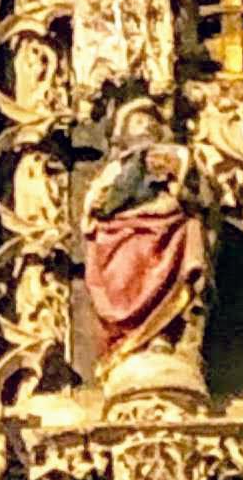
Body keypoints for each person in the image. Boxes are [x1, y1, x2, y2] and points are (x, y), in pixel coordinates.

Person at [81, 89, 208, 403]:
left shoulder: (174, 154)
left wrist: (176, 181)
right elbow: (94, 205)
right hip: (122, 232)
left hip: (166, 225)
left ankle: (163, 334)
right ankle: (129, 342)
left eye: (150, 121)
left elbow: (193, 193)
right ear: (123, 133)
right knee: (126, 267)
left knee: (185, 234)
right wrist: (100, 204)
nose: (146, 126)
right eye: (137, 121)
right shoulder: (115, 167)